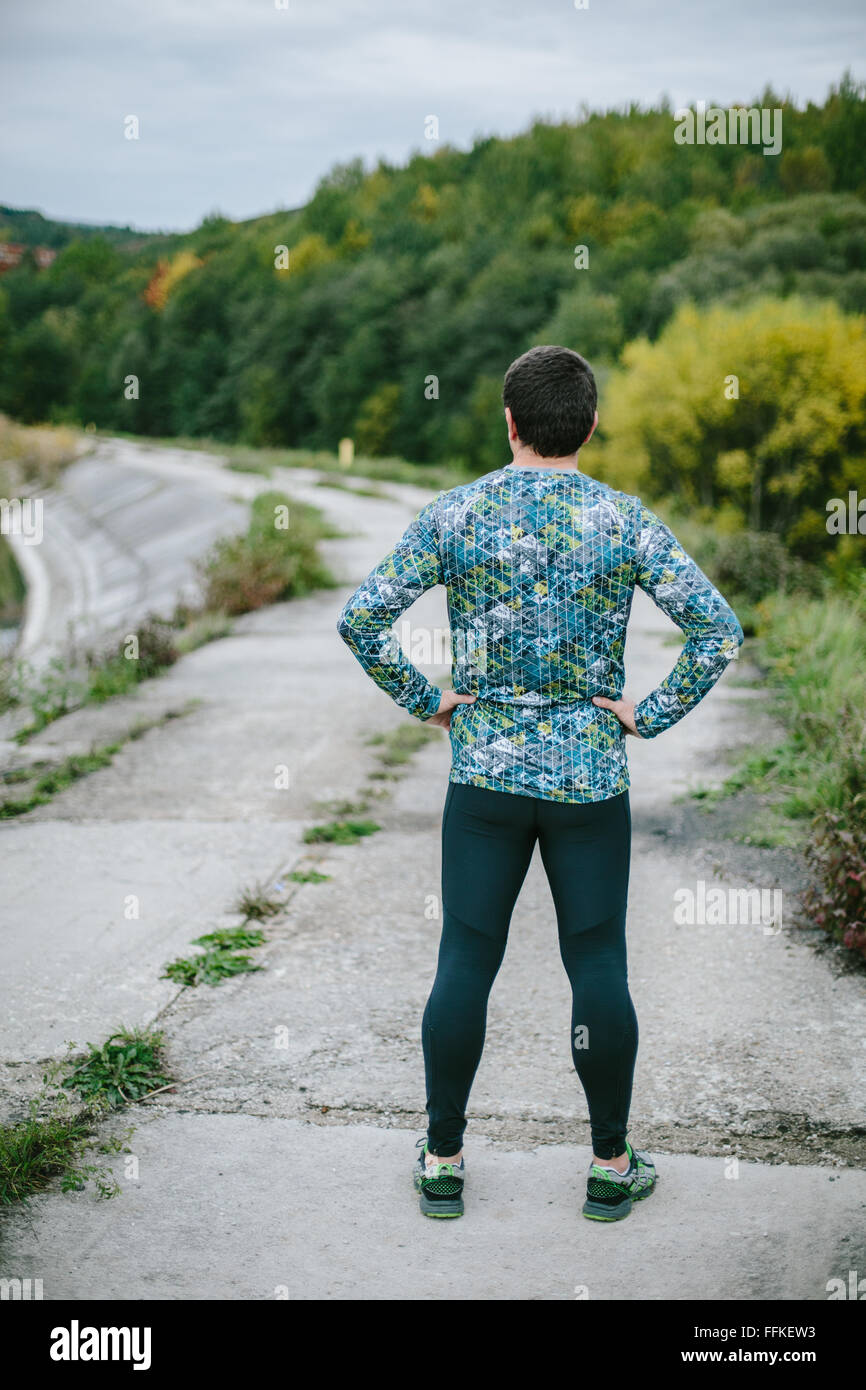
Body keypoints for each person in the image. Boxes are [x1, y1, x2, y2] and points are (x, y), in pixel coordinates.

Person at [336, 344, 744, 1221]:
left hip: (483, 775)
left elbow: (362, 617)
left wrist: (430, 700)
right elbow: (719, 630)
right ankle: (609, 1165)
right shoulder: (626, 521)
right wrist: (648, 712)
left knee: (465, 960)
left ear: (510, 421)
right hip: (590, 780)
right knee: (596, 963)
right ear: (590, 426)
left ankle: (443, 1160)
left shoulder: (456, 514)